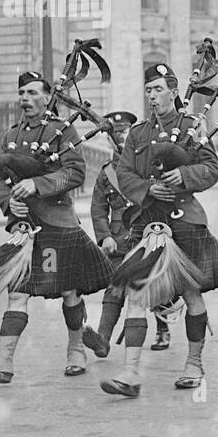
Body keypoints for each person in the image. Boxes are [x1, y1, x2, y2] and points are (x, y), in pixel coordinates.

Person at [0, 70, 113, 385]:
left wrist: (37, 184)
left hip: (57, 225)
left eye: (33, 93)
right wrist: (10, 203)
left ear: (47, 97)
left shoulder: (63, 131)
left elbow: (75, 172)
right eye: (22, 93)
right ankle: (3, 364)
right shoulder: (11, 134)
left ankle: (76, 350)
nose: (25, 99)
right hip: (25, 228)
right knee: (16, 293)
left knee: (69, 291)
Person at [102, 63, 218, 397]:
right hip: (148, 221)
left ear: (174, 91)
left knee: (191, 292)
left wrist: (183, 177)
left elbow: (211, 168)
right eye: (148, 90)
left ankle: (194, 363)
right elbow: (124, 175)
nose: (152, 96)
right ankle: (130, 373)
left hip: (184, 220)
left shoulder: (192, 126)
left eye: (158, 89)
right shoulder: (136, 134)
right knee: (136, 293)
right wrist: (148, 190)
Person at [82, 110, 170, 360]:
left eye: (125, 131)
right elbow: (98, 209)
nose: (121, 137)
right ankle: (102, 339)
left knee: (152, 284)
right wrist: (105, 237)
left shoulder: (148, 164)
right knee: (115, 288)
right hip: (119, 239)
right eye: (115, 133)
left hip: (148, 232)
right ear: (109, 139)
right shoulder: (106, 172)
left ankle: (162, 328)